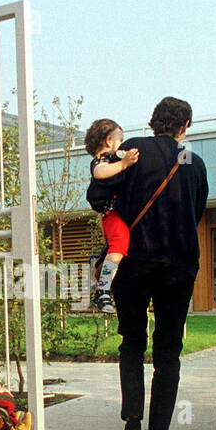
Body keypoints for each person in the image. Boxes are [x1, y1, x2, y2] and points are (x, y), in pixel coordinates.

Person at [100, 97, 207, 430]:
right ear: (185, 125)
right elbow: (197, 211)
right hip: (177, 265)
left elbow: (101, 192)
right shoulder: (193, 161)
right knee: (168, 352)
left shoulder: (133, 150)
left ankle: (132, 420)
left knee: (131, 341)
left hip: (133, 261)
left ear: (152, 121)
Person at [83, 119, 140, 313]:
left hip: (112, 215)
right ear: (109, 141)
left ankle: (106, 286)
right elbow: (99, 172)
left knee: (117, 247)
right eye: (120, 139)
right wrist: (124, 164)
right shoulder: (103, 160)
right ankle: (103, 290)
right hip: (112, 214)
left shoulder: (112, 158)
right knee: (119, 244)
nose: (122, 144)